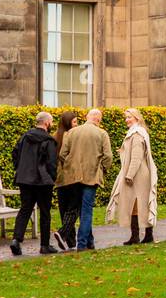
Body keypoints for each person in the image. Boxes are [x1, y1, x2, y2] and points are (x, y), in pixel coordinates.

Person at [58, 107, 113, 251]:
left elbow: (63, 154)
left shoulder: (71, 132)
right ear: (99, 120)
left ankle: (90, 242)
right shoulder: (102, 133)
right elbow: (108, 156)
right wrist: (103, 169)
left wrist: (71, 166)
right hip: (92, 176)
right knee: (86, 210)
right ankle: (82, 244)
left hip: (73, 177)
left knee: (81, 209)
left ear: (87, 117)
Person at [10, 111, 58, 256]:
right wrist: (52, 177)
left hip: (25, 179)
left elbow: (15, 153)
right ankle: (44, 245)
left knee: (25, 209)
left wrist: (21, 168)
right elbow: (51, 163)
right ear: (47, 123)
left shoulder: (25, 137)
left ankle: (16, 240)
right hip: (43, 181)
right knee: (44, 212)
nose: (52, 124)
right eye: (52, 122)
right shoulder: (49, 140)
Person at [108, 108, 158, 244]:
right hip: (139, 173)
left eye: (129, 117)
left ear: (136, 118)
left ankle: (140, 236)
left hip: (137, 175)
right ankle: (143, 236)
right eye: (126, 117)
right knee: (138, 204)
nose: (126, 120)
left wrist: (129, 175)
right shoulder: (137, 133)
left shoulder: (136, 134)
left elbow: (136, 157)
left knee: (136, 204)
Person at [51, 110, 80, 250]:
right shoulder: (73, 136)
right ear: (68, 123)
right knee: (74, 208)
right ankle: (63, 234)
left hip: (59, 179)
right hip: (72, 177)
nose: (77, 124)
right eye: (74, 122)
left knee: (64, 208)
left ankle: (70, 240)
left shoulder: (55, 137)